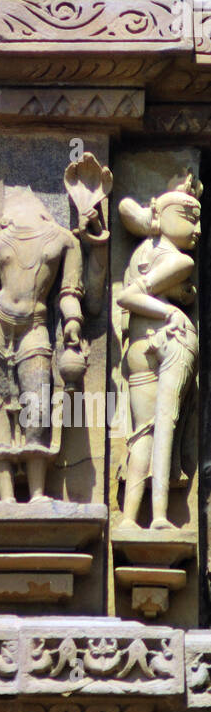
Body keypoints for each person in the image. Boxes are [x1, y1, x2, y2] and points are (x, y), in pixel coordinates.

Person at [0, 190, 84, 503]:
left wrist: (73, 322)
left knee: (38, 403)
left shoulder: (65, 240)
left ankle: (38, 493)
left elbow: (69, 292)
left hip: (35, 325)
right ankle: (6, 497)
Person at [117, 177, 201, 528]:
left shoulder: (143, 252)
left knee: (145, 433)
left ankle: (129, 520)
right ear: (163, 216)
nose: (196, 227)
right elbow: (128, 297)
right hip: (168, 341)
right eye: (188, 215)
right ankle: (161, 516)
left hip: (139, 349)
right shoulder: (179, 261)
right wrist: (170, 311)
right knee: (164, 425)